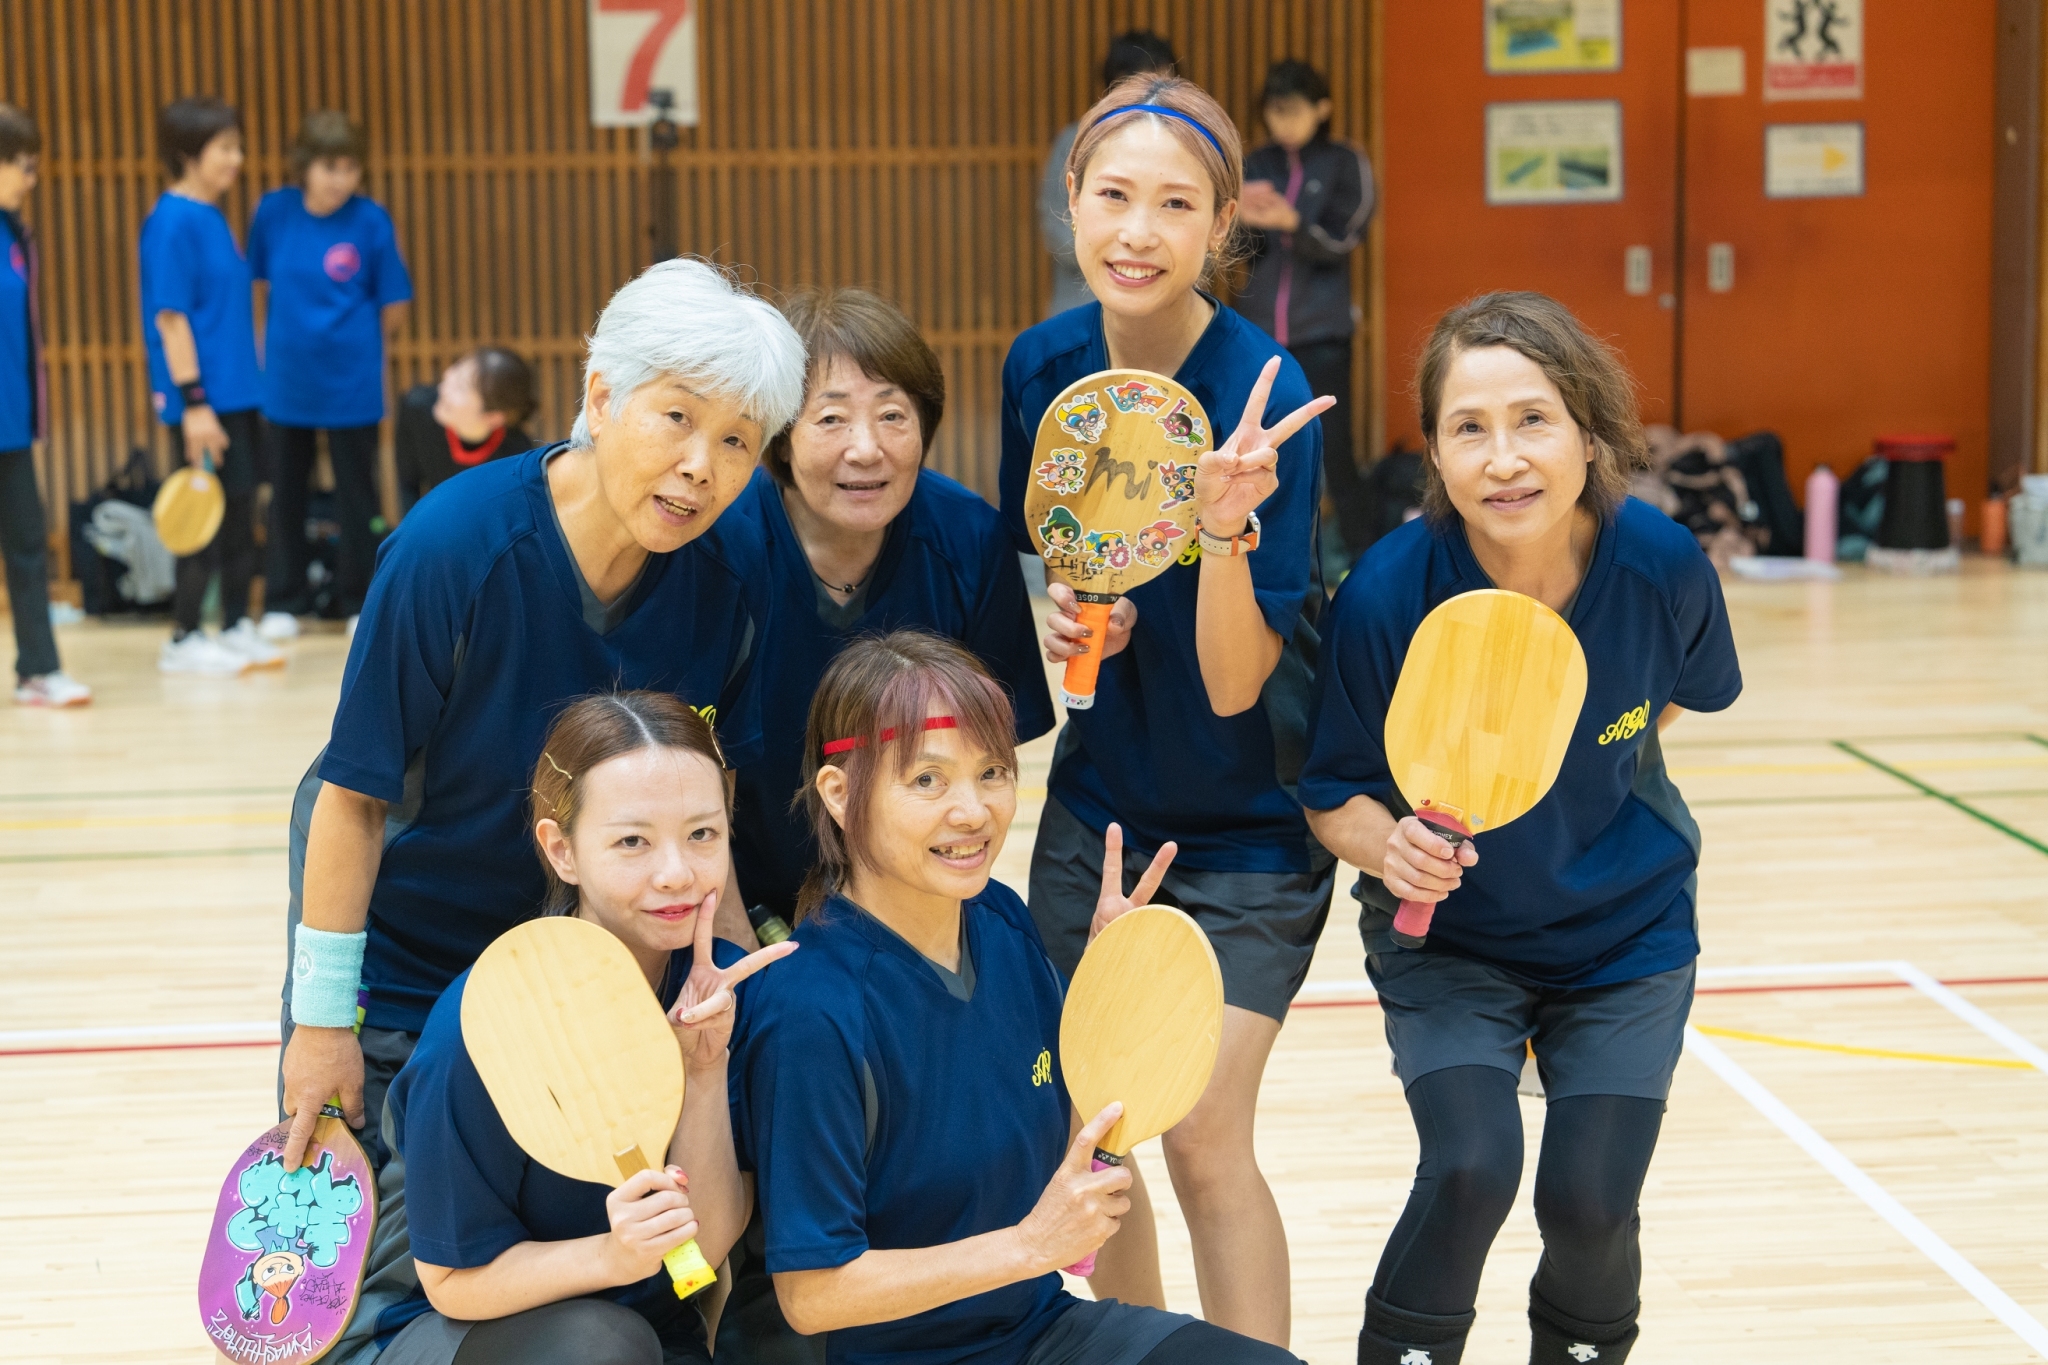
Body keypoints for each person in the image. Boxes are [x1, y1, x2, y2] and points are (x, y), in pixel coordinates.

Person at [276, 260, 805, 1210]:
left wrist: (718, 976)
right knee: (395, 1248)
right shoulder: (451, 551)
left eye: (737, 439)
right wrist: (320, 1023)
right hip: (416, 958)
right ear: (601, 397)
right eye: (676, 418)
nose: (701, 465)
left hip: (598, 956)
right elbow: (352, 798)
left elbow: (703, 802)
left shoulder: (739, 550)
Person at [1296, 292, 1742, 1365]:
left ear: (1587, 435)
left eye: (1531, 420)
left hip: (1625, 935)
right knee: (1469, 1170)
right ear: (1435, 458)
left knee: (1590, 1203)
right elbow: (1330, 794)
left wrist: (1585, 753)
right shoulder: (1388, 594)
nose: (1503, 458)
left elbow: (1668, 698)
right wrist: (1383, 844)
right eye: (1468, 428)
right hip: (1452, 946)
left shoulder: (1661, 564)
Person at [999, 75, 1332, 1347]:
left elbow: (1241, 681)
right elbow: (1059, 591)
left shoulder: (1264, 386)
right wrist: (1078, 619)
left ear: (1219, 231)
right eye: (1112, 196)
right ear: (1071, 204)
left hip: (1248, 825)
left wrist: (1216, 531)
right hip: (1099, 808)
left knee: (1198, 1134)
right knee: (1096, 1122)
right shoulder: (1043, 365)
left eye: (1173, 205)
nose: (1137, 230)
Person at [730, 630, 1302, 1365]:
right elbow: (815, 1296)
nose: (972, 811)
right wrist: (1030, 1244)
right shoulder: (808, 1008)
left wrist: (1111, 1008)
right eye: (927, 780)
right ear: (840, 794)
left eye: (992, 771)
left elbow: (1075, 1148)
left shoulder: (1000, 918)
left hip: (1037, 1331)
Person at [707, 287, 1053, 1363]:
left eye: (894, 413)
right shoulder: (718, 549)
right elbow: (690, 786)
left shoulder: (961, 538)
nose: (866, 447)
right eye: (830, 416)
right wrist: (744, 952)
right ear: (776, 436)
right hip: (737, 898)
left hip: (889, 893)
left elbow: (985, 762)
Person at [347, 691, 796, 1365]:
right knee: (600, 1345)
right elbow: (452, 1281)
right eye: (632, 841)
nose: (676, 871)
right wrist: (613, 1255)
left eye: (702, 833)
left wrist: (704, 1069)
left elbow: (698, 1253)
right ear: (562, 849)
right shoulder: (479, 1025)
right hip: (450, 1328)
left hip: (642, 1332)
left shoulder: (732, 993)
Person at [251, 109, 413, 642]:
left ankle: (358, 600)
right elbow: (258, 289)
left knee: (356, 496)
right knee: (286, 493)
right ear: (305, 167)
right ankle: (283, 599)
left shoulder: (370, 220)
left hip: (352, 382)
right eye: (329, 167)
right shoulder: (273, 213)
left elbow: (392, 304)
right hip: (287, 380)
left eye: (349, 167)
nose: (340, 178)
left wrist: (361, 350)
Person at [140, 96, 277, 675]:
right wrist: (195, 403)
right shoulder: (171, 222)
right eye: (224, 148)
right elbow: (170, 320)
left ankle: (236, 625)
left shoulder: (213, 216)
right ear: (188, 154)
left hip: (240, 394)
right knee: (202, 515)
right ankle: (185, 634)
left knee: (242, 507)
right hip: (205, 401)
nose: (237, 159)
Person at [1237, 60, 1376, 570]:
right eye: (1275, 113)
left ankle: (1363, 556)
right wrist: (1240, 218)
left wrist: (1291, 221)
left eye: (1293, 112)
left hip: (1321, 331)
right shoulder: (1254, 163)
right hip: (1255, 333)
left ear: (1322, 108)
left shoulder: (1344, 161)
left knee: (1334, 448)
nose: (1283, 124)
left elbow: (1345, 239)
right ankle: (1267, 554)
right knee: (1256, 446)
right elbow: (1237, 251)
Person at [0, 104, 89, 706]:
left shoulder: (16, 234)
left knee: (29, 545)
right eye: (22, 164)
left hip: (9, 425)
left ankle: (38, 667)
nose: (32, 178)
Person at [1038, 30, 1176, 319]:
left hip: (1163, 309)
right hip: (1083, 305)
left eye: (1167, 82)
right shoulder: (1075, 142)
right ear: (1118, 83)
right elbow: (1055, 226)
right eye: (1149, 82)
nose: (1158, 95)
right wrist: (1122, 251)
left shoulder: (1184, 147)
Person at [393, 347, 539, 515]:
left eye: (461, 387)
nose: (445, 385)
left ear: (493, 417)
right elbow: (408, 484)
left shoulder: (517, 457)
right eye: (456, 369)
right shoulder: (416, 407)